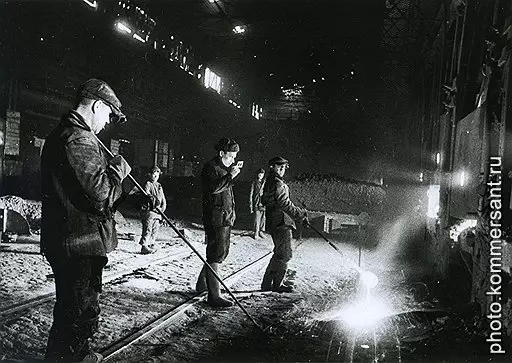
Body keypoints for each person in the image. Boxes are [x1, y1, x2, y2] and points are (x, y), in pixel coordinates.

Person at [41, 79, 132, 363]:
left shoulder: (66, 135)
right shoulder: (79, 139)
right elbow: (102, 195)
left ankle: (75, 354)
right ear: (97, 105)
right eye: (108, 115)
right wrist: (118, 170)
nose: (107, 123)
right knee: (77, 310)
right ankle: (70, 358)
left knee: (75, 307)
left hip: (73, 239)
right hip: (78, 241)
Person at [195, 137, 242, 307]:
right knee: (216, 253)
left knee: (218, 252)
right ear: (221, 153)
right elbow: (214, 189)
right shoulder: (211, 168)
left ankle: (202, 285)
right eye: (231, 156)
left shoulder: (222, 168)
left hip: (224, 217)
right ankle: (214, 295)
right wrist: (230, 175)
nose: (233, 160)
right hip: (216, 218)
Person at [261, 156, 308, 293]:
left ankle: (267, 284)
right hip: (281, 222)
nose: (282, 169)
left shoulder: (270, 182)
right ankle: (276, 285)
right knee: (285, 254)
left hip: (276, 221)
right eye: (279, 166)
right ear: (272, 167)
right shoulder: (277, 183)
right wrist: (300, 215)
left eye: (283, 167)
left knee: (279, 253)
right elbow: (285, 204)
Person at [138, 165, 167, 254]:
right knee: (148, 229)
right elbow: (148, 197)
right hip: (149, 211)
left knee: (155, 228)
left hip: (158, 213)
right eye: (153, 175)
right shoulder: (148, 184)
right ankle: (144, 246)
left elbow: (163, 199)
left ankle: (152, 243)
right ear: (150, 175)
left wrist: (162, 208)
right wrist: (154, 206)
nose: (155, 177)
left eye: (157, 176)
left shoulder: (159, 186)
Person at [249, 167, 266, 239]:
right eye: (259, 174)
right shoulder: (254, 182)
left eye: (262, 174)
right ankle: (256, 232)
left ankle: (261, 231)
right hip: (256, 202)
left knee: (263, 218)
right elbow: (251, 194)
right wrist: (250, 204)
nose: (260, 175)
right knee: (257, 218)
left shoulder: (265, 182)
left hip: (263, 202)